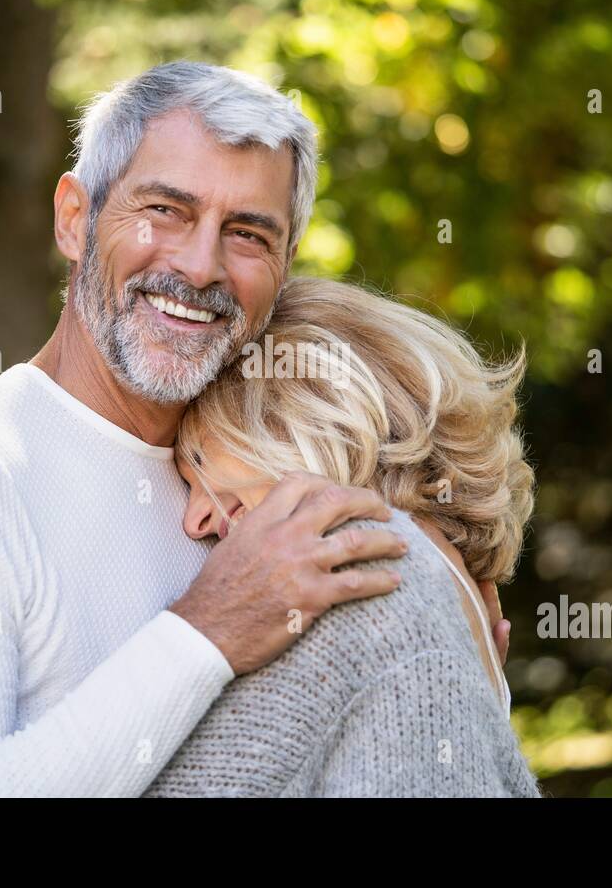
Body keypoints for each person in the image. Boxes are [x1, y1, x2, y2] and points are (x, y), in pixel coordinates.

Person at [0, 61, 509, 797]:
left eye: (248, 233)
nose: (198, 266)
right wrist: (208, 629)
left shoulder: (250, 467)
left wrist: (454, 635)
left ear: (285, 266)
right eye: (165, 210)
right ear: (75, 217)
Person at [145, 277, 540, 796]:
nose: (194, 520)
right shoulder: (419, 580)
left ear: (296, 416)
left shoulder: (371, 583)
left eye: (197, 462)